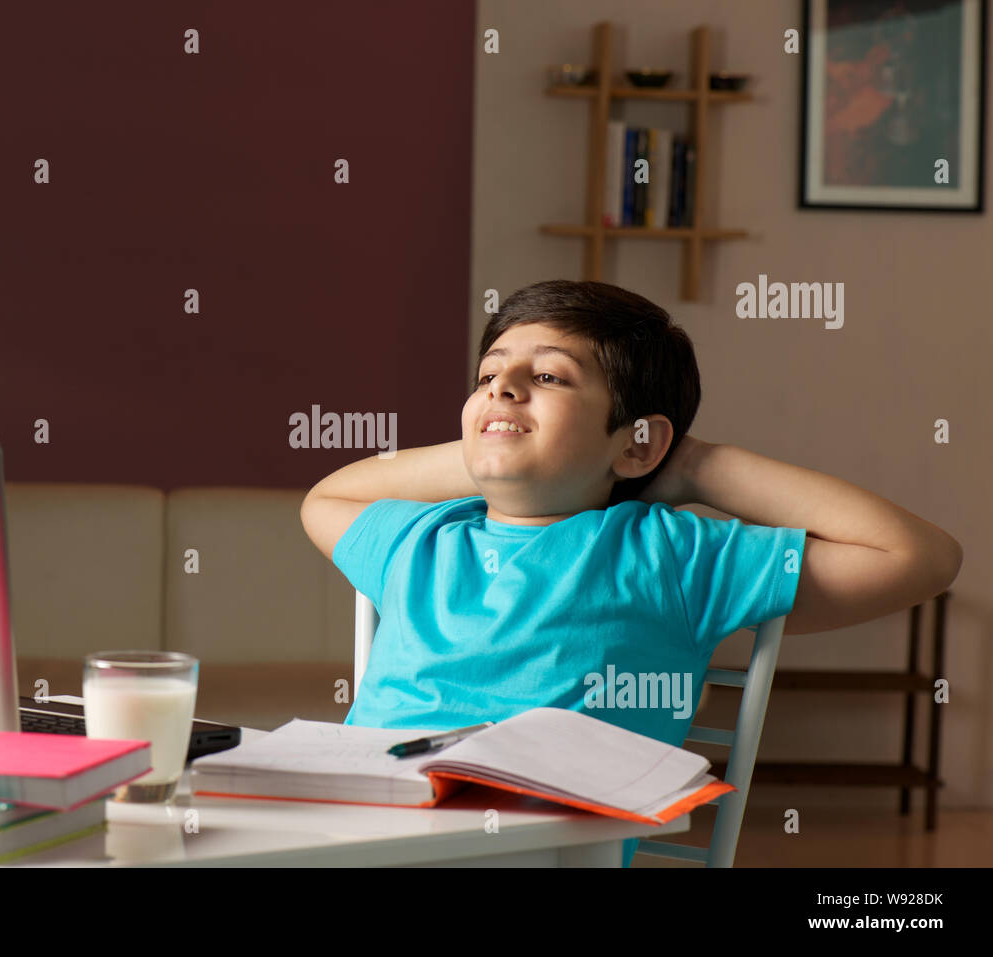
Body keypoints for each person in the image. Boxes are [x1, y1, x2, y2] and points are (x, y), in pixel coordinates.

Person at [299, 279, 962, 867]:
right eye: (487, 376)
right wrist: (494, 434)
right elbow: (322, 500)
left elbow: (921, 558)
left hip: (532, 848)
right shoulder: (421, 538)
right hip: (358, 827)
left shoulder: (671, 555)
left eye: (551, 377)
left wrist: (697, 466)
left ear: (640, 439)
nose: (501, 385)